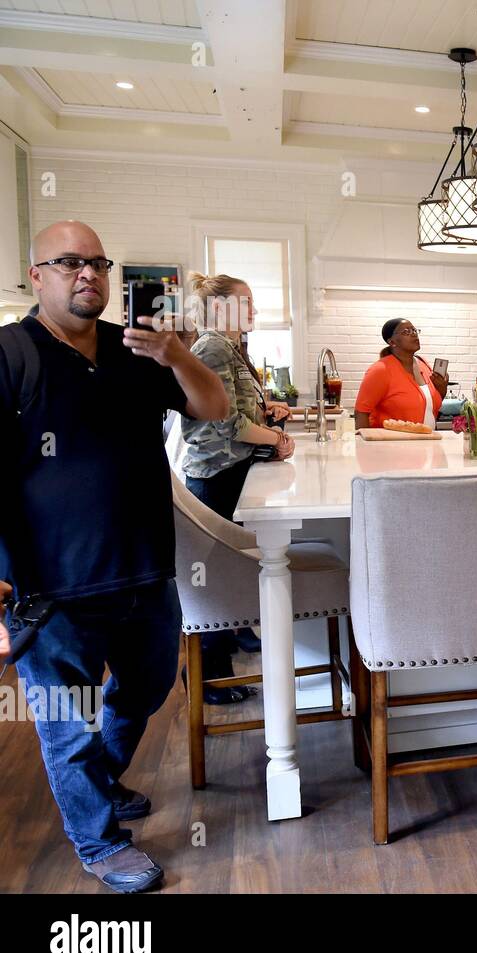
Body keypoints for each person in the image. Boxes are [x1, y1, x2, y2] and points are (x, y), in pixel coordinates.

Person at [0, 220, 228, 893]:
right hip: (50, 587)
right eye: (68, 262)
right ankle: (99, 843)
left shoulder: (137, 351)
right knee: (67, 724)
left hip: (144, 570)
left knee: (149, 686)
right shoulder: (11, 354)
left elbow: (211, 408)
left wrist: (177, 354)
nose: (87, 274)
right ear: (36, 275)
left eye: (98, 262)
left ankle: (98, 778)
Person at [180, 273, 295, 705]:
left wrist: (268, 413)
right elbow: (228, 425)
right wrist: (276, 439)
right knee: (214, 583)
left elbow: (240, 410)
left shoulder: (227, 347)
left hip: (226, 473)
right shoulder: (212, 346)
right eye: (245, 302)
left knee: (225, 575)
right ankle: (208, 681)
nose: (254, 310)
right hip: (214, 478)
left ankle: (226, 649)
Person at [354, 318, 448, 430]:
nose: (413, 334)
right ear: (392, 342)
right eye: (406, 332)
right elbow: (361, 412)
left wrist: (442, 388)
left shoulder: (423, 364)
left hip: (426, 443)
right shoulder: (380, 370)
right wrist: (366, 444)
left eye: (414, 330)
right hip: (391, 445)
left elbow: (429, 405)